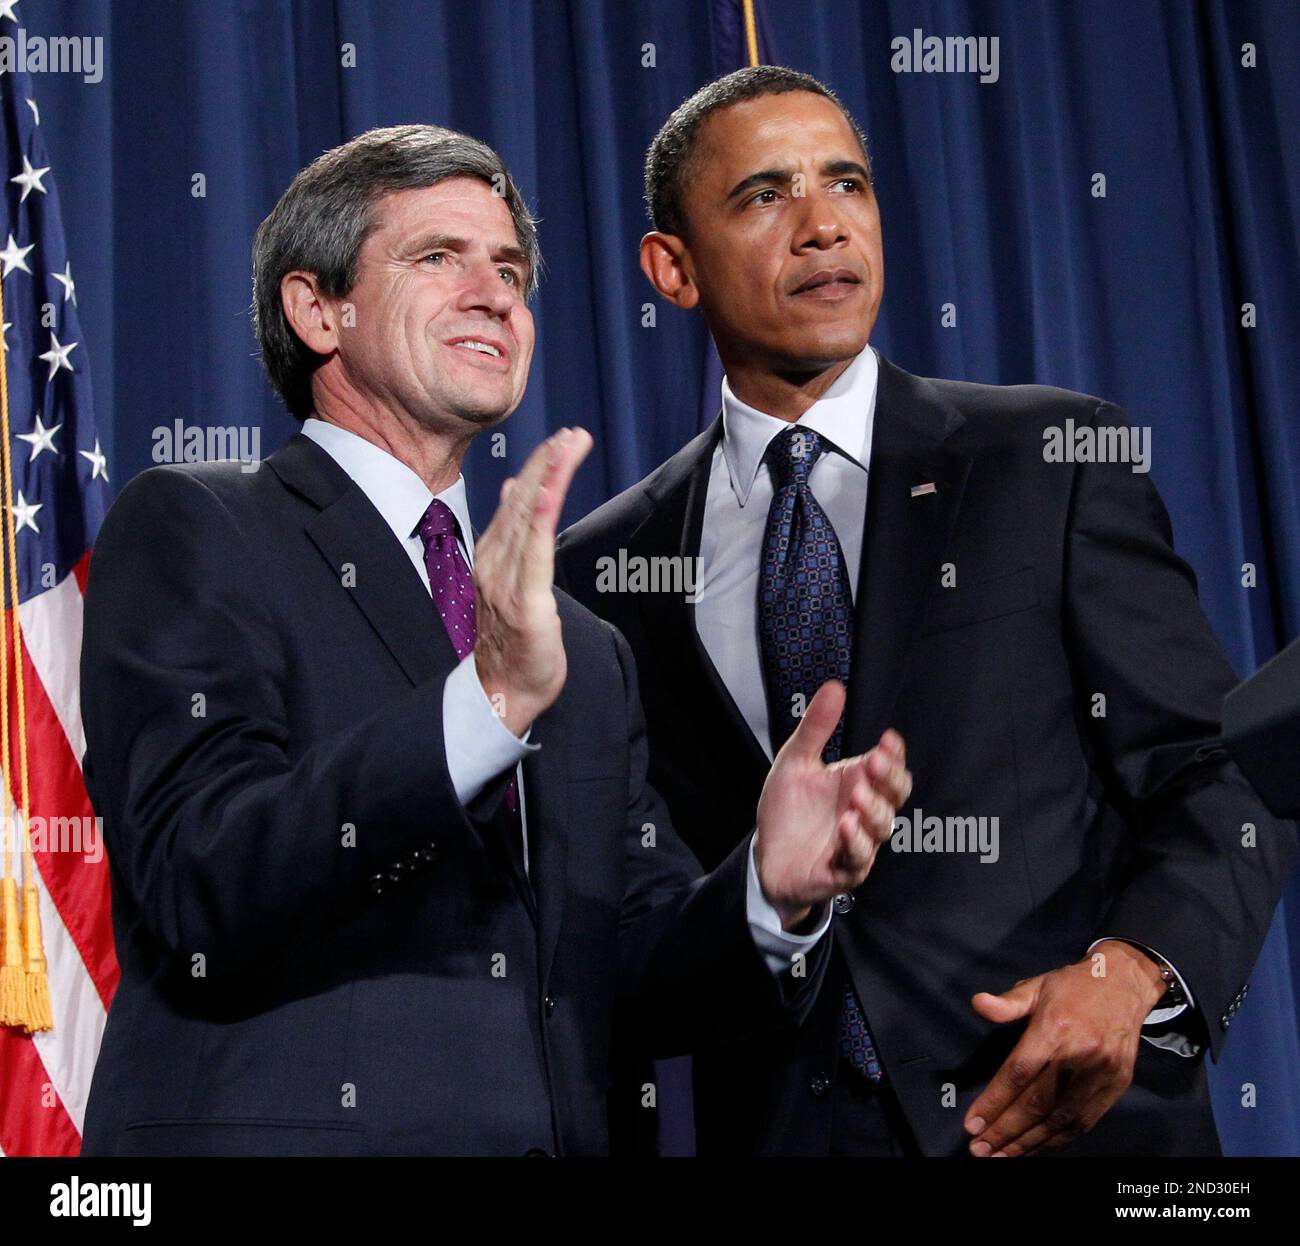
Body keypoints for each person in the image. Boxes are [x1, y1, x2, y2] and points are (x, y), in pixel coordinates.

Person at [77, 123, 913, 1157]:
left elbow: (626, 974)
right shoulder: (199, 526)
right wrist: (486, 708)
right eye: (439, 257)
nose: (495, 297)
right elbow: (200, 876)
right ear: (317, 309)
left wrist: (766, 893)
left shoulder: (582, 651)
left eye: (511, 271)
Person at [556, 67, 1296, 1157]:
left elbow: (1213, 771)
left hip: (1069, 1127)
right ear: (673, 268)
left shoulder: (1047, 460)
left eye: (845, 183)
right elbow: (628, 927)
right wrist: (763, 905)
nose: (822, 225)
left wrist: (1134, 972)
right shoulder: (602, 569)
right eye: (764, 194)